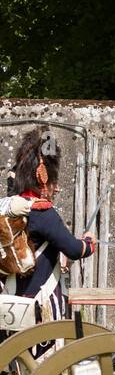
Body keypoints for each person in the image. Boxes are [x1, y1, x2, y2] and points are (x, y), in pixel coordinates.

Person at [1, 129, 95, 339]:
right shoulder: (42, 211)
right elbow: (74, 249)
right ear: (43, 177)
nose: (56, 187)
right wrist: (89, 241)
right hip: (39, 301)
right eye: (53, 180)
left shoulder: (8, 206)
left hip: (11, 299)